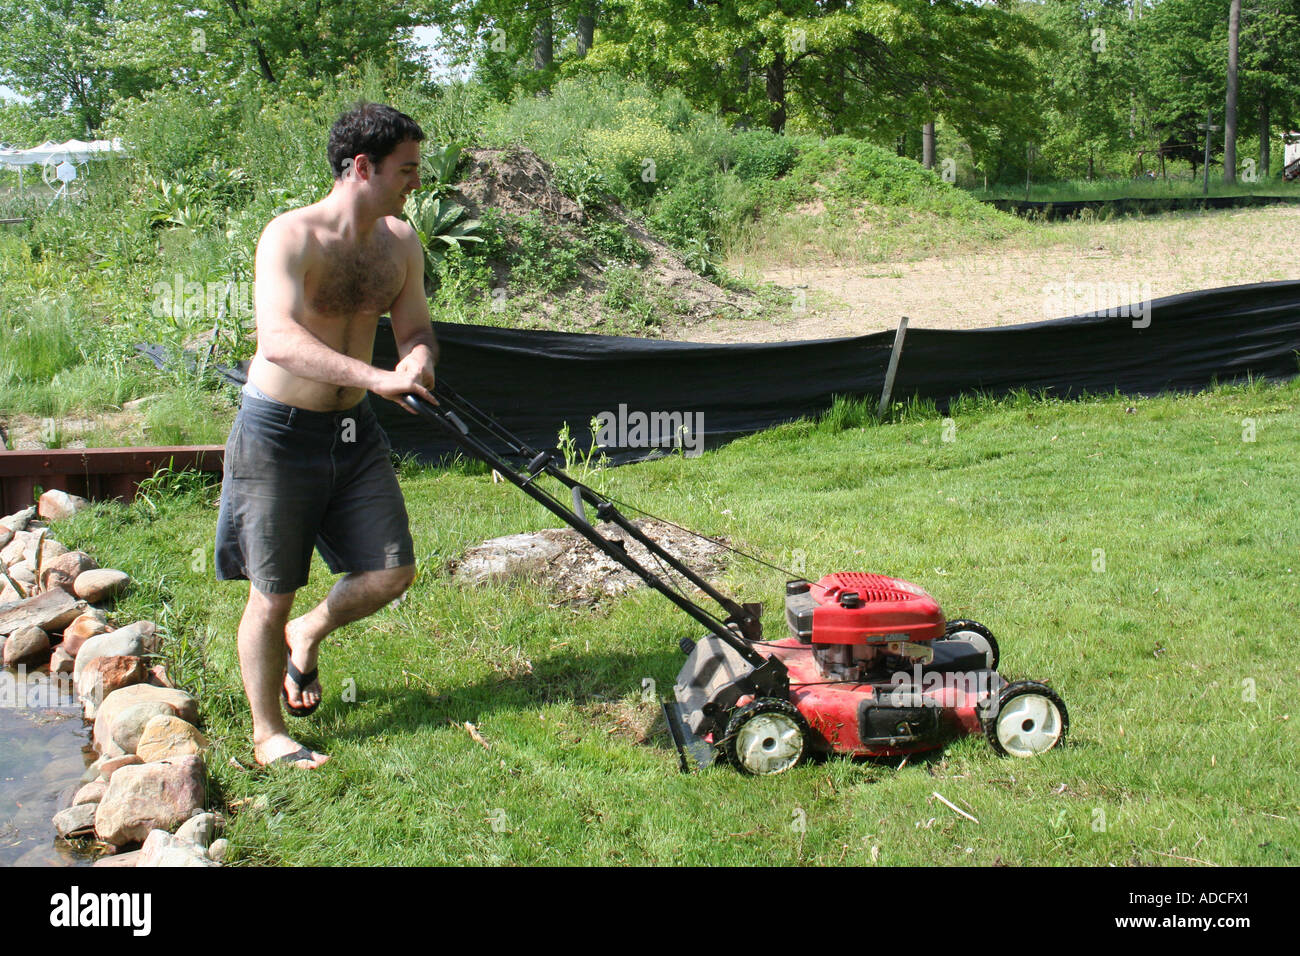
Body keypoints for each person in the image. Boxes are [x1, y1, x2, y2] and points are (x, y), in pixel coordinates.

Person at [215, 102, 438, 769]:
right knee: (272, 588)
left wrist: (415, 363)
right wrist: (376, 377)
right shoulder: (291, 236)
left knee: (393, 569)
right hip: (277, 434)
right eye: (407, 169)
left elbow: (417, 328)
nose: (416, 183)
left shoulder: (399, 242)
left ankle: (308, 632)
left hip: (354, 432)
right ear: (362, 167)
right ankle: (267, 733)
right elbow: (278, 341)